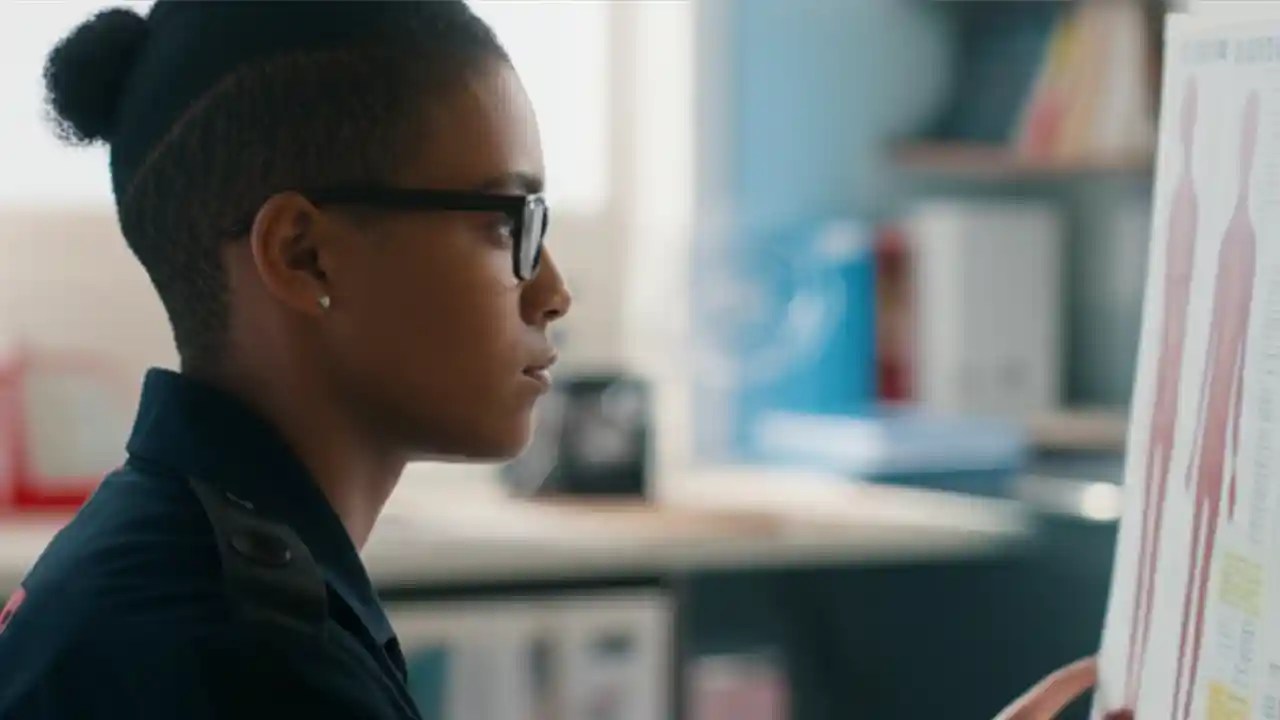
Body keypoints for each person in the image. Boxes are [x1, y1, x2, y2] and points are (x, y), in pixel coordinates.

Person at [0, 2, 1100, 718]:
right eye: (506, 224)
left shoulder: (186, 558)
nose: (554, 289)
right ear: (302, 250)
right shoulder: (240, 658)